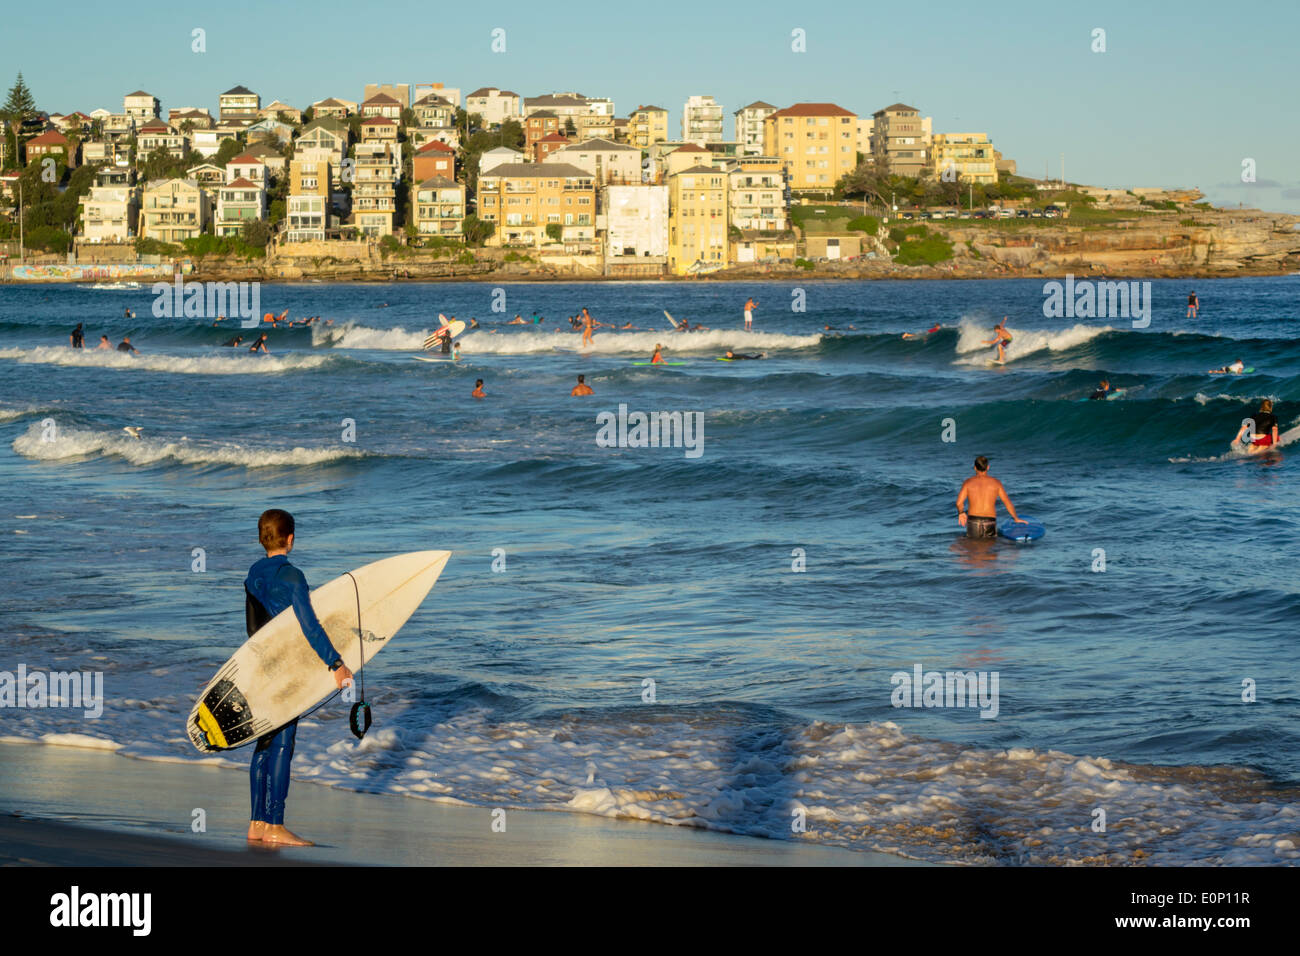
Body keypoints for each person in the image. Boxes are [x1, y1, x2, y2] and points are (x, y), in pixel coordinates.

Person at [244, 509, 353, 846]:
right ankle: (275, 824)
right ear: (290, 539)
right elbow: (310, 627)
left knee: (264, 741)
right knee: (283, 744)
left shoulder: (252, 574)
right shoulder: (293, 577)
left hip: (260, 667)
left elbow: (253, 628)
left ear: (262, 539)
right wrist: (336, 664)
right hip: (287, 670)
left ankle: (257, 824)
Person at [956, 455, 1026, 539]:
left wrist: (961, 512)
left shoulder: (968, 482)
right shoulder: (996, 483)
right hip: (989, 521)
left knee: (973, 549)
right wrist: (1016, 518)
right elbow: (1007, 502)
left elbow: (959, 503)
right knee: (990, 548)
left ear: (975, 468)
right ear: (988, 467)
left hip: (973, 521)